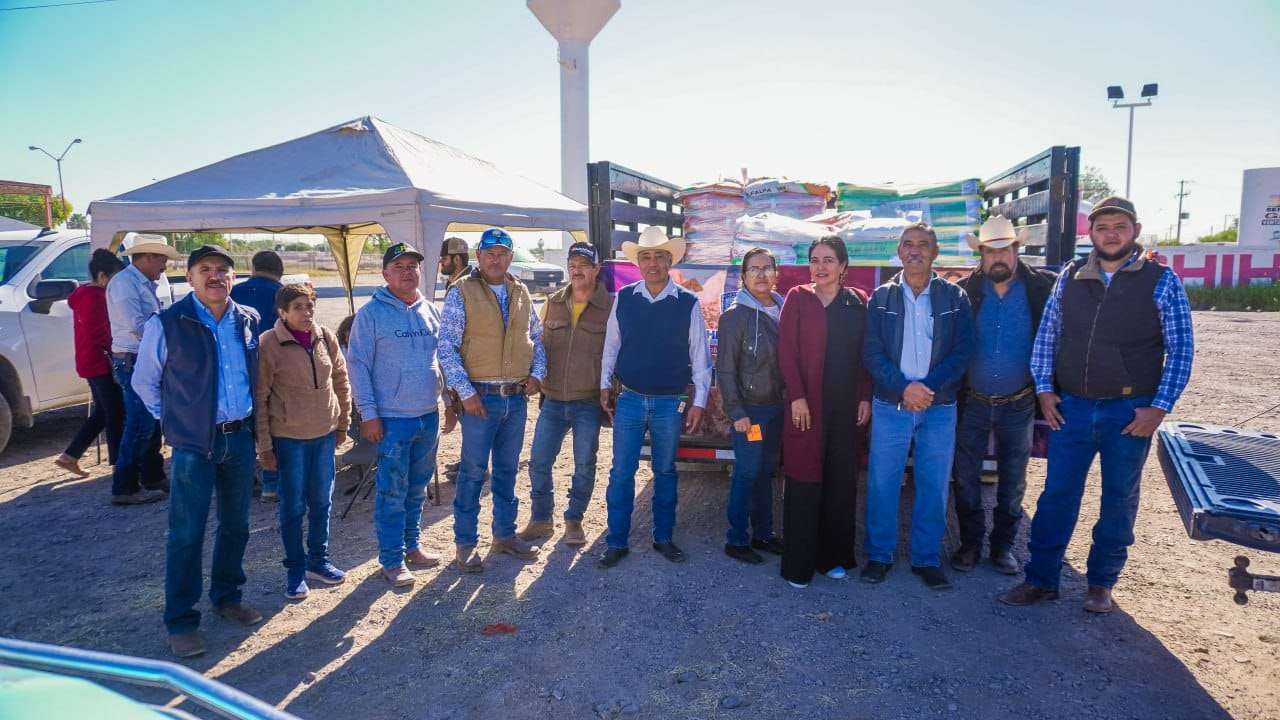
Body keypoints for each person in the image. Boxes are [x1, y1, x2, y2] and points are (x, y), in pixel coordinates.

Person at [1001, 197, 1194, 614]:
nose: (1110, 234)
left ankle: (1101, 584)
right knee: (1056, 496)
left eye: (1119, 227)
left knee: (1118, 499)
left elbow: (1180, 349)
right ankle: (1041, 580)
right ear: (1091, 232)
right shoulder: (1070, 277)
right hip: (1072, 407)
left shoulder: (1161, 280)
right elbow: (1048, 337)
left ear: (1135, 231)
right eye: (1102, 226)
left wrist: (1159, 407)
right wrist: (1045, 390)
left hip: (1129, 412)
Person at [133, 245, 263, 658]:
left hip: (238, 437)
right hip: (194, 445)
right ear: (188, 278)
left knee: (236, 524)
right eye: (205, 270)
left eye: (223, 270)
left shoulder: (246, 319)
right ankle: (181, 620)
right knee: (186, 533)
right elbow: (144, 382)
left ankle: (226, 597)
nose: (215, 277)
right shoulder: (168, 323)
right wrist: (174, 423)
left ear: (233, 277)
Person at [862, 223, 975, 590]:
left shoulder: (955, 297)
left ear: (935, 252)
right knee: (883, 482)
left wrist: (926, 386)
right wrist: (903, 387)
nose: (915, 251)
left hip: (938, 405)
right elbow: (872, 352)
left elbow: (962, 352)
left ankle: (926, 559)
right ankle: (879, 555)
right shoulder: (881, 298)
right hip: (891, 405)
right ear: (898, 251)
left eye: (923, 245)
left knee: (933, 484)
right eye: (908, 245)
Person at [598, 226, 711, 569]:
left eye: (659, 256)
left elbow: (701, 357)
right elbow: (611, 346)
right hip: (629, 399)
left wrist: (700, 402)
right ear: (638, 262)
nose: (652, 263)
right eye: (645, 256)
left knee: (664, 471)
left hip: (670, 403)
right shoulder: (625, 297)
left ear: (669, 261)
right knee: (621, 472)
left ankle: (663, 538)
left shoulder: (688, 303)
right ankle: (616, 541)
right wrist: (603, 384)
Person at [950, 216, 1057, 574]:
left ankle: (1002, 548)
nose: (998, 257)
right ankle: (969, 544)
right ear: (980, 253)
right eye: (990, 250)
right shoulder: (965, 291)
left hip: (1020, 401)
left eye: (1005, 249)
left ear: (1016, 249)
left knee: (1013, 481)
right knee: (965, 477)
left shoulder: (1043, 288)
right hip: (973, 400)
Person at [438, 227, 546, 573]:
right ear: (479, 257)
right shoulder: (462, 292)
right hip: (479, 399)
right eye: (490, 253)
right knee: (471, 473)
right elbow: (447, 349)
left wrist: (538, 374)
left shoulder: (521, 291)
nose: (496, 259)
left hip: (515, 399)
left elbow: (537, 338)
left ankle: (504, 535)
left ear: (510, 257)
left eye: (502, 253)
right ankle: (465, 544)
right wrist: (465, 394)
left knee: (507, 471)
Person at [347, 242, 445, 587]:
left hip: (427, 415)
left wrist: (448, 400)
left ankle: (412, 546)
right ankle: (391, 558)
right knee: (391, 491)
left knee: (417, 488)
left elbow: (441, 359)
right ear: (385, 273)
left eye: (413, 266)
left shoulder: (430, 310)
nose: (407, 271)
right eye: (399, 266)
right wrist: (368, 415)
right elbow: (357, 365)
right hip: (391, 420)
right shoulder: (371, 314)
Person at [776, 238, 871, 586]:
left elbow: (866, 355)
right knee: (803, 480)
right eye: (815, 260)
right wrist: (797, 397)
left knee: (840, 482)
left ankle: (833, 557)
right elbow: (786, 352)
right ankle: (799, 565)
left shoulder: (858, 302)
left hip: (846, 410)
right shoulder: (798, 298)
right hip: (806, 410)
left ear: (843, 265)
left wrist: (865, 396)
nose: (821, 267)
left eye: (829, 260)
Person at [255, 283, 352, 600]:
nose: (306, 312)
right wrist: (265, 446)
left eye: (310, 306)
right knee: (293, 506)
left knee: (322, 501)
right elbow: (261, 397)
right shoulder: (269, 344)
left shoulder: (325, 336)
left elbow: (341, 379)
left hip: (324, 434)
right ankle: (295, 570)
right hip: (289, 438)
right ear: (282, 312)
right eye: (298, 306)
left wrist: (342, 422)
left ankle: (318, 561)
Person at [517, 242, 612, 547]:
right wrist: (532, 377)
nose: (577, 269)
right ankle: (542, 519)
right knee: (539, 463)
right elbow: (537, 346)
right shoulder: (553, 303)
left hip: (587, 401)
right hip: (553, 399)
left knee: (584, 463)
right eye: (573, 263)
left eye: (584, 264)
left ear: (596, 270)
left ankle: (574, 519)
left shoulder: (611, 307)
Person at [716, 247, 788, 565]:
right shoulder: (734, 317)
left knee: (766, 472)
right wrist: (737, 413)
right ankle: (736, 539)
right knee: (747, 472)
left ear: (776, 273)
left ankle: (763, 534)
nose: (761, 275)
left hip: (777, 409)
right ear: (743, 277)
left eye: (766, 268)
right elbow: (726, 369)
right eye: (753, 269)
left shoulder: (785, 309)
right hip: (753, 414)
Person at [106, 234, 176, 505]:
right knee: (140, 423)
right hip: (133, 359)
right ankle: (124, 486)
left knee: (149, 422)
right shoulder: (125, 284)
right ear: (147, 257)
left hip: (138, 357)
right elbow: (138, 325)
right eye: (161, 258)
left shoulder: (137, 282)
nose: (164, 265)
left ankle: (151, 475)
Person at [56, 249, 127, 477]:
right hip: (100, 363)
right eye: (115, 278)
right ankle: (119, 465)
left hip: (90, 361)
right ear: (103, 276)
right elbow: (101, 333)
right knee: (116, 412)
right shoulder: (95, 297)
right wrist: (119, 349)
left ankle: (70, 456)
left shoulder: (84, 294)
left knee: (104, 412)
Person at [231, 250, 285, 500]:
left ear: (253, 267)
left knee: (241, 426)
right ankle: (272, 483)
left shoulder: (232, 292)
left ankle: (242, 479)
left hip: (237, 370)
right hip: (274, 369)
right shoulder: (283, 294)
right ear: (279, 270)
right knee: (272, 425)